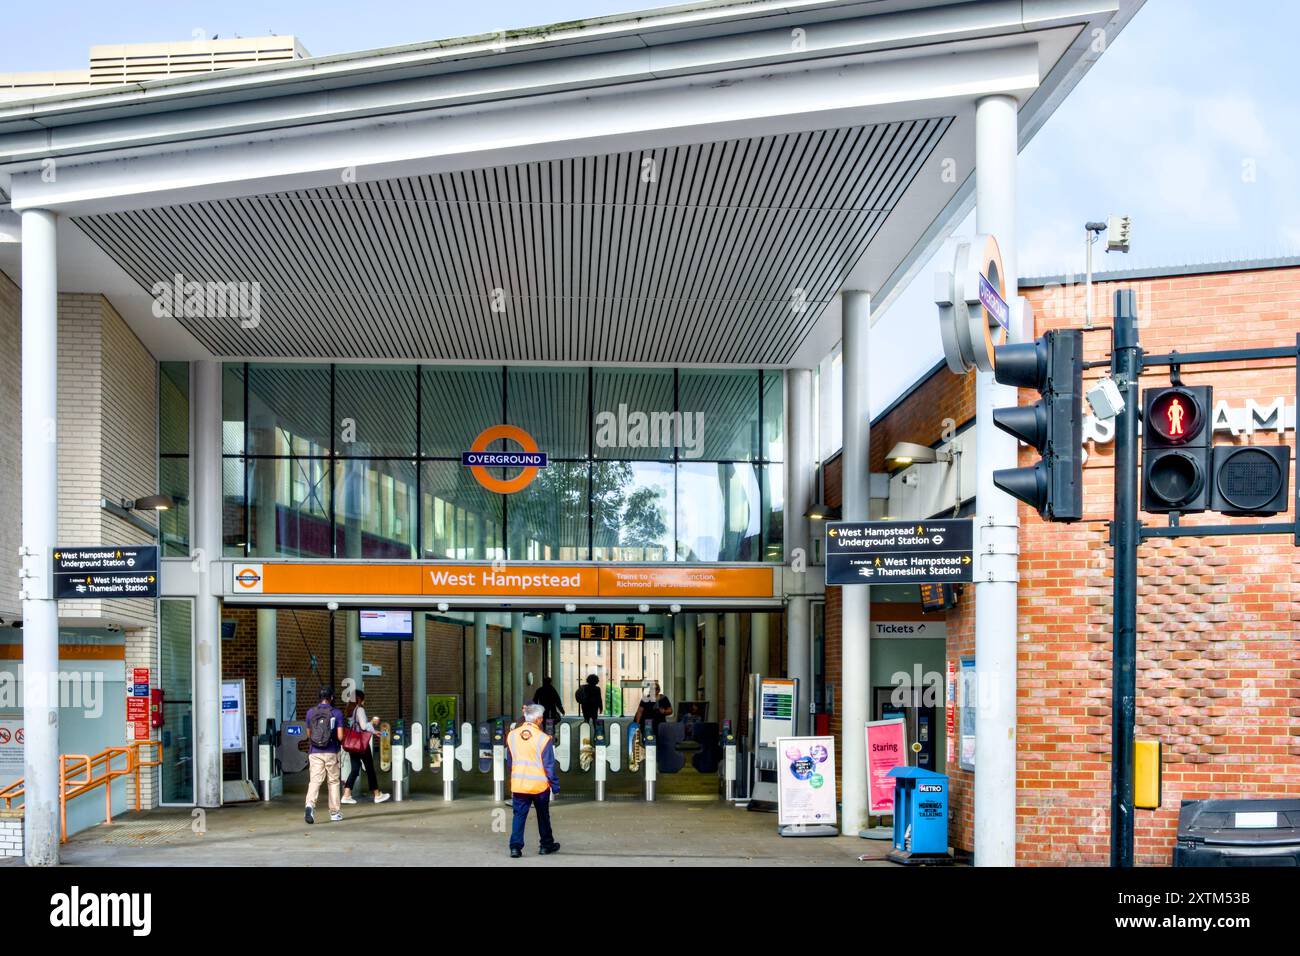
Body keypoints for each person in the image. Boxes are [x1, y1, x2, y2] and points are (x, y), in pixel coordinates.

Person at [505, 703, 561, 858]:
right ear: (538, 719)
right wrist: (555, 785)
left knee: (519, 815)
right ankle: (546, 845)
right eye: (541, 718)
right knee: (543, 816)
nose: (542, 721)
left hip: (519, 785)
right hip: (539, 786)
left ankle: (515, 848)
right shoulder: (543, 738)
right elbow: (549, 765)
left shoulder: (512, 735)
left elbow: (509, 762)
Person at [304, 687, 345, 824]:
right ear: (331, 698)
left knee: (315, 781)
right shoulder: (337, 713)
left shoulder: (311, 712)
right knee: (333, 781)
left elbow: (308, 734)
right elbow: (340, 736)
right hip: (331, 751)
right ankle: (334, 813)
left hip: (315, 752)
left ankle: (309, 805)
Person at [342, 690, 390, 805]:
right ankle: (377, 795)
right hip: (361, 744)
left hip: (352, 743)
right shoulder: (359, 709)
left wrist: (374, 732)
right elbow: (363, 727)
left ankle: (346, 795)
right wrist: (373, 722)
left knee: (355, 768)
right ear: (360, 699)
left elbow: (356, 726)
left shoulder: (349, 710)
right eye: (363, 699)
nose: (364, 701)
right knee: (369, 768)